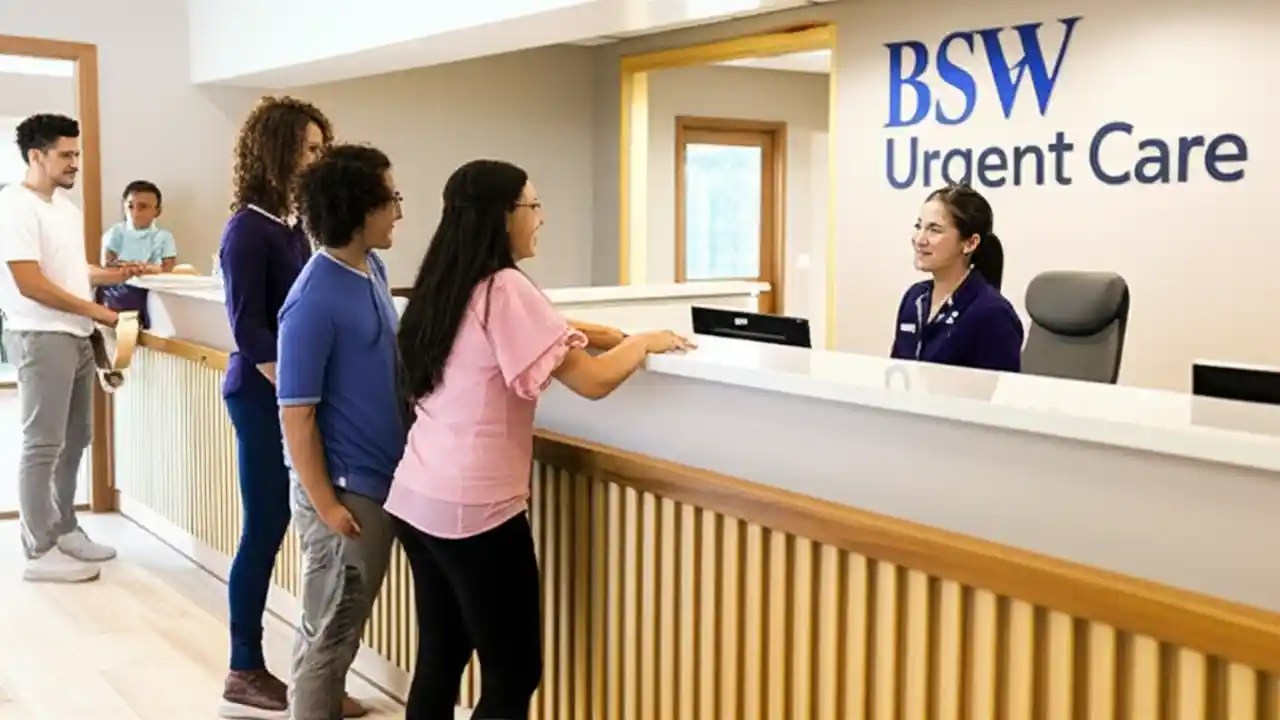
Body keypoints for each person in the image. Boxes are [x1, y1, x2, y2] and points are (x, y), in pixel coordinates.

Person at [389, 159, 693, 720]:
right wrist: (645, 340)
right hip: (475, 511)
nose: (540, 218)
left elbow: (526, 334)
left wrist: (594, 331)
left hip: (416, 496)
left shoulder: (445, 284)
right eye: (532, 206)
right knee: (513, 671)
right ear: (503, 216)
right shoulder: (505, 288)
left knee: (442, 655)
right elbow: (595, 381)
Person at [216, 96, 365, 720]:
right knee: (267, 528)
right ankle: (244, 666)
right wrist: (297, 397)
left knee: (311, 539)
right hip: (262, 399)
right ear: (276, 152)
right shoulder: (247, 229)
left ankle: (315, 679)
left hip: (295, 401)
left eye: (320, 148)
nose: (316, 159)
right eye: (308, 149)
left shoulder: (293, 225)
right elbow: (250, 331)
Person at [277, 144, 404, 719]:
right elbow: (296, 414)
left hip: (374, 481)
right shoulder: (312, 298)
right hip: (345, 492)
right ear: (360, 208)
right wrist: (326, 505)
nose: (399, 212)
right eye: (391, 199)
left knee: (331, 627)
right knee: (332, 632)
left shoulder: (369, 268)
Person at [0, 113, 138, 583]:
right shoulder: (14, 206)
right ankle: (38, 549)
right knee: (42, 445)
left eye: (77, 154)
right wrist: (99, 311)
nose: (75, 162)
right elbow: (30, 283)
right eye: (66, 154)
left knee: (77, 438)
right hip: (42, 335)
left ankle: (64, 527)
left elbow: (67, 269)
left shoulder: (64, 208)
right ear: (36, 155)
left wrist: (111, 275)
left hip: (75, 335)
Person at [889, 183, 1023, 372]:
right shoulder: (914, 298)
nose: (920, 239)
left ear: (970, 243)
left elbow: (1002, 394)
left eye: (934, 230)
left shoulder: (992, 313)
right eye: (919, 226)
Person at [102, 180, 178, 272]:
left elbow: (169, 269)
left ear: (157, 211)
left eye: (143, 207)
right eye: (130, 206)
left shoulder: (164, 237)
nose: (136, 212)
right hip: (120, 282)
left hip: (154, 284)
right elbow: (105, 264)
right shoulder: (116, 232)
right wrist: (129, 268)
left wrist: (146, 269)